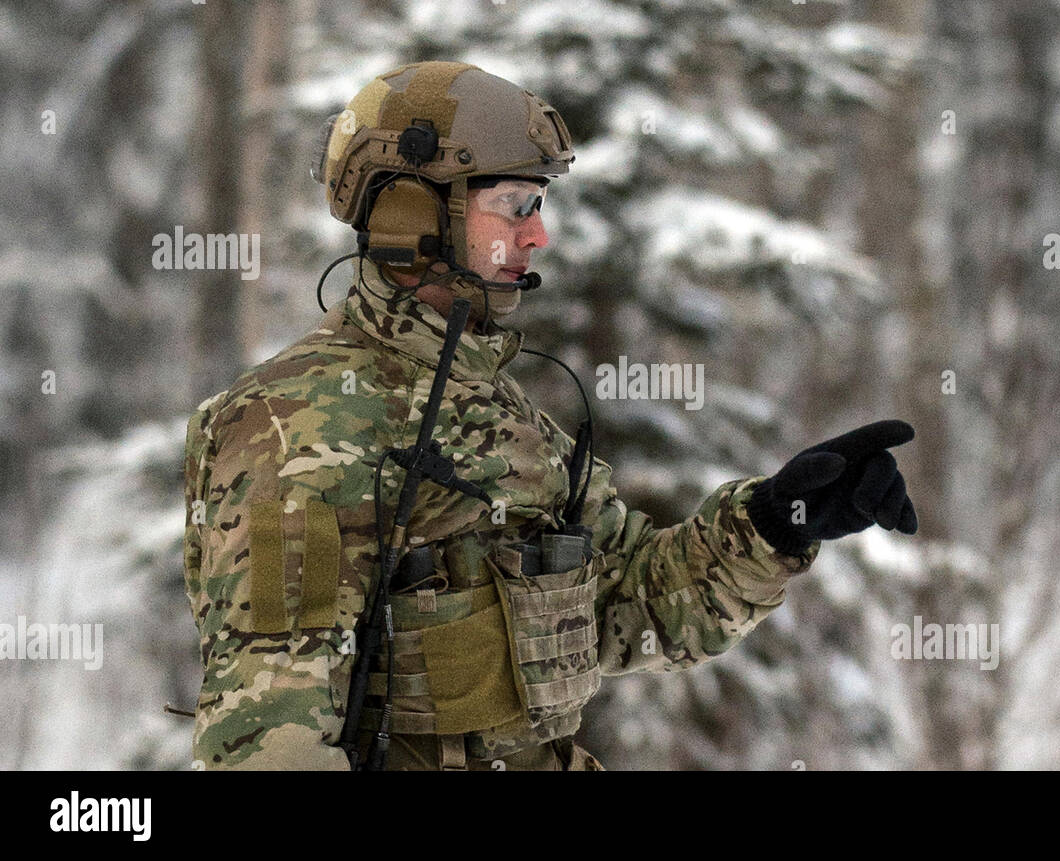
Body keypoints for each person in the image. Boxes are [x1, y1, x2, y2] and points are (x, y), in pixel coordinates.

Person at [182, 60, 918, 771]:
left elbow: (626, 600)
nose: (538, 237)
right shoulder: (296, 423)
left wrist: (773, 523)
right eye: (514, 205)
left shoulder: (502, 412)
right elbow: (270, 737)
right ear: (409, 211)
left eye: (539, 206)